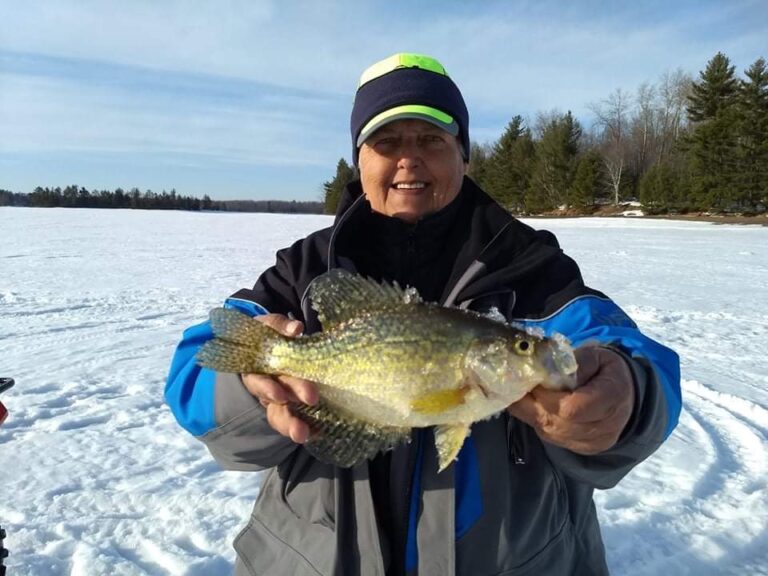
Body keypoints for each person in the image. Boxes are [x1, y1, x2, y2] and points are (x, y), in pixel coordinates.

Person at [165, 53, 681, 576]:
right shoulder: (301, 270)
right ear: (359, 159)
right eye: (387, 142)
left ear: (463, 155)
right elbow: (196, 367)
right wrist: (249, 383)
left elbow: (621, 348)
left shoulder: (532, 268)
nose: (409, 159)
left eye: (432, 139)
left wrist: (629, 395)